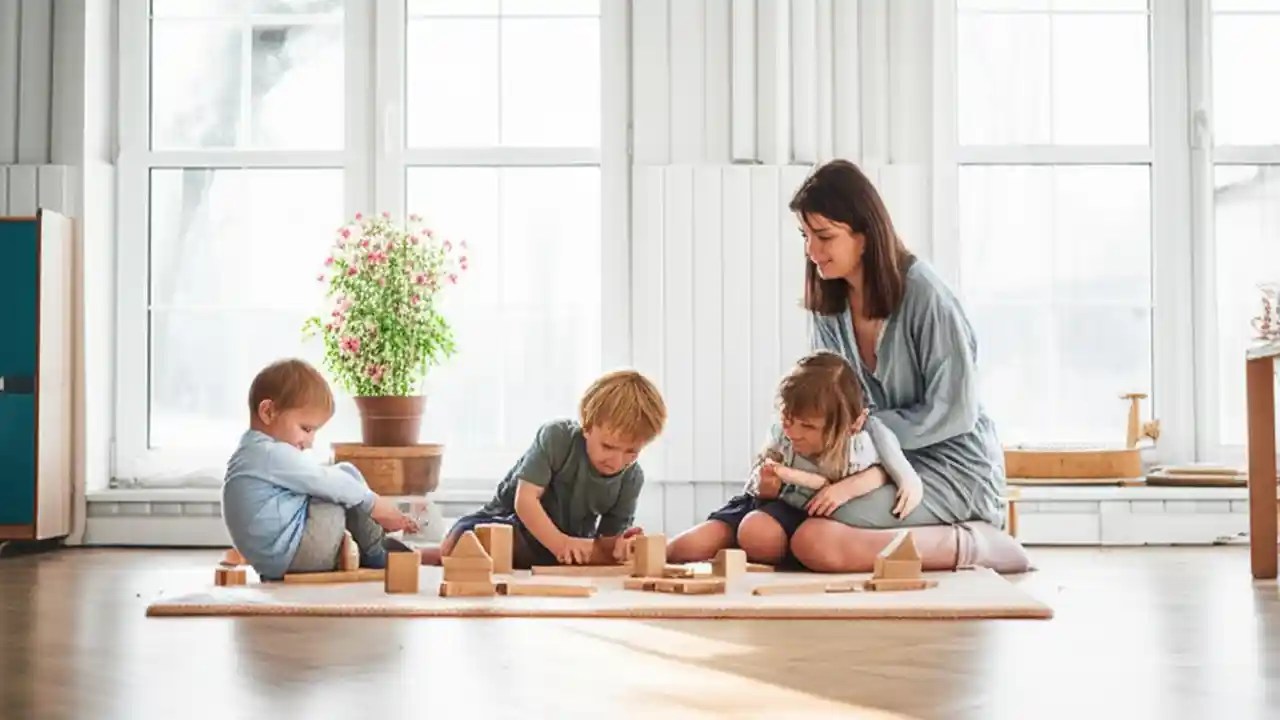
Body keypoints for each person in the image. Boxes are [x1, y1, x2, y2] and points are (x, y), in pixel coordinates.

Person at [785, 158, 1031, 573]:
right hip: (871, 459)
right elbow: (832, 406)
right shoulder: (829, 304)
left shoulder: (927, 297)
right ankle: (906, 539)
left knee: (818, 530)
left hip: (950, 464)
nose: (812, 252)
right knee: (792, 499)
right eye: (805, 236)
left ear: (865, 235)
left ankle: (974, 543)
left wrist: (870, 434)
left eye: (824, 237)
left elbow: (954, 413)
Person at [666, 351, 925, 565]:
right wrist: (767, 485)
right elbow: (760, 488)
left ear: (852, 425)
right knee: (683, 549)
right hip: (762, 503)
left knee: (757, 533)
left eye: (808, 427)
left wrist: (846, 489)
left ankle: (759, 555)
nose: (794, 434)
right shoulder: (782, 435)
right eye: (788, 420)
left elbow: (883, 472)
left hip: (796, 512)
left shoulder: (860, 447)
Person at [422, 369, 666, 569]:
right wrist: (559, 543)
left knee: (602, 558)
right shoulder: (557, 438)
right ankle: (433, 554)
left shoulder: (632, 478)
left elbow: (606, 544)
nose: (617, 461)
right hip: (511, 524)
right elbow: (525, 501)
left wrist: (622, 547)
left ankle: (443, 554)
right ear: (587, 426)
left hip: (565, 545)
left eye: (631, 452)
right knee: (473, 542)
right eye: (608, 446)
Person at [221, 358, 420, 581]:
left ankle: (371, 546)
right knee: (342, 479)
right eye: (306, 429)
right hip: (300, 553)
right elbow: (325, 481)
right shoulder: (269, 453)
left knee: (340, 479)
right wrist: (374, 504)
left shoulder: (251, 453)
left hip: (274, 563)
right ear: (268, 412)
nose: (309, 442)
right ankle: (377, 551)